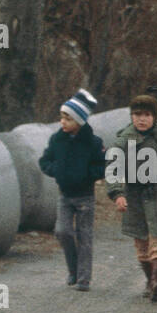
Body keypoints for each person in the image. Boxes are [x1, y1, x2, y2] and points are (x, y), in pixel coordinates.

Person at [105, 95, 157, 301]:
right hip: (134, 197)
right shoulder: (123, 141)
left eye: (147, 115)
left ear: (155, 117)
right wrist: (117, 193)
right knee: (141, 243)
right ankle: (149, 279)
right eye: (137, 114)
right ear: (131, 116)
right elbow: (112, 168)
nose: (142, 119)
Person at [39, 89, 104, 291]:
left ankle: (84, 278)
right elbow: (44, 161)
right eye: (62, 117)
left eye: (68, 118)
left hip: (85, 197)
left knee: (85, 237)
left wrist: (88, 174)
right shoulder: (57, 140)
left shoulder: (93, 143)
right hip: (65, 196)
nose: (63, 122)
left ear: (79, 121)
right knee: (62, 231)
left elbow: (102, 166)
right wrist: (56, 170)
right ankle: (73, 269)